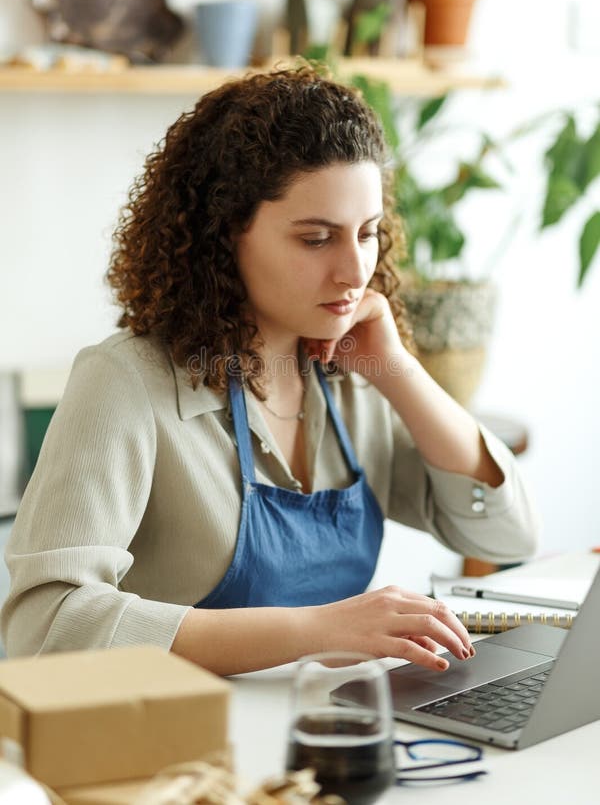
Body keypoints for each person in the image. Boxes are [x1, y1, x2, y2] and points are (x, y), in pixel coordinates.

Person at [1, 66, 538, 675]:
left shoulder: (352, 377)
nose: (353, 271)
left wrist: (397, 370)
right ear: (225, 235)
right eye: (316, 239)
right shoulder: (125, 383)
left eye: (366, 234)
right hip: (185, 747)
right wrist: (314, 629)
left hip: (330, 732)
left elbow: (507, 537)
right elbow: (42, 627)